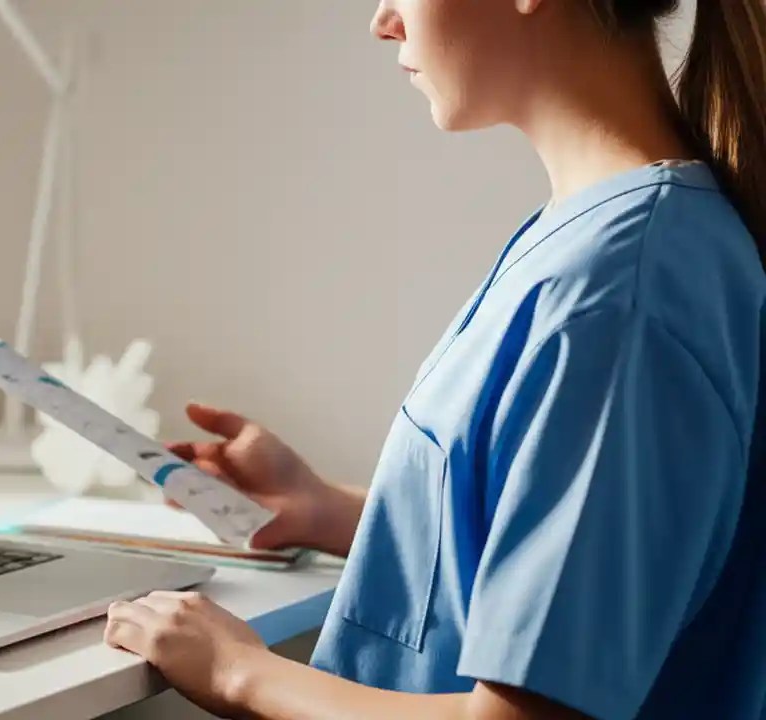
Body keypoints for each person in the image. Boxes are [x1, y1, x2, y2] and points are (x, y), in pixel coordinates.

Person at [102, 1, 766, 718]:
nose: (383, 20)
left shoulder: (623, 288)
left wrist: (237, 673)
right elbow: (558, 545)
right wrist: (326, 510)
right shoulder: (600, 240)